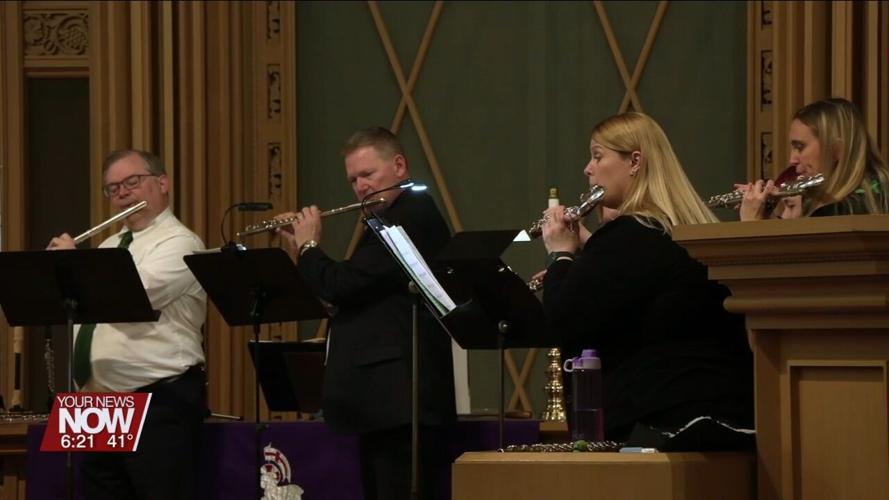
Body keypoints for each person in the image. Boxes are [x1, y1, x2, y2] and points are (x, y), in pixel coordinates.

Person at [540, 112, 754, 442]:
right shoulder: (674, 231)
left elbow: (563, 318)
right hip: (724, 409)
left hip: (663, 417)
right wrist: (587, 254)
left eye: (598, 156)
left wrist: (560, 254)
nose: (588, 168)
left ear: (635, 161)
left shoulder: (632, 234)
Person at [274, 127, 455, 500]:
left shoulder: (408, 216)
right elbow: (358, 293)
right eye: (353, 180)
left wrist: (309, 245)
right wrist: (304, 252)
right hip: (385, 402)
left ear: (400, 166)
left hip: (402, 398)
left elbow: (345, 283)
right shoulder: (387, 220)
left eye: (368, 175)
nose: (359, 187)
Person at [47, 150, 207, 499]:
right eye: (112, 188)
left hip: (156, 397)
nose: (122, 193)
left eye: (132, 182)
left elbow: (134, 295)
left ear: (162, 183)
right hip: (95, 404)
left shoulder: (181, 242)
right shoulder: (106, 245)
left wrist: (75, 267)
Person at [740, 97, 888, 220]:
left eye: (800, 147)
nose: (792, 160)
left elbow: (794, 255)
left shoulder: (837, 213)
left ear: (836, 149)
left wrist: (752, 223)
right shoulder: (876, 194)